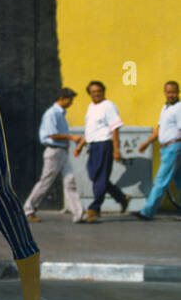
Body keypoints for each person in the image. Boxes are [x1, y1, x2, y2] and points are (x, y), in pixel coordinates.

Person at [22, 87, 85, 223]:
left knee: (70, 181)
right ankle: (28, 210)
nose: (71, 103)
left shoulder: (60, 114)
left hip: (62, 151)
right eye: (70, 99)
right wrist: (71, 137)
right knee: (46, 181)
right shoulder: (52, 113)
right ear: (63, 98)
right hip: (54, 151)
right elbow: (51, 134)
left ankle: (78, 213)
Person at [72, 80, 128, 222]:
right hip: (93, 145)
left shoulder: (108, 106)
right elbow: (90, 130)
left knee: (100, 177)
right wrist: (80, 145)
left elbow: (114, 129)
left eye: (99, 91)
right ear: (89, 94)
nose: (96, 94)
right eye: (93, 92)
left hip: (104, 144)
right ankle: (121, 197)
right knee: (94, 176)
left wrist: (116, 150)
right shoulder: (91, 107)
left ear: (103, 91)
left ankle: (94, 209)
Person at [133, 80, 181, 221]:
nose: (171, 94)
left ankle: (147, 212)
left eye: (174, 92)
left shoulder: (179, 108)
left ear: (178, 92)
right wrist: (147, 143)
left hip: (174, 148)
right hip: (167, 148)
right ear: (164, 93)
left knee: (161, 180)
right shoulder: (165, 108)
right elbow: (159, 128)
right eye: (168, 92)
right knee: (179, 181)